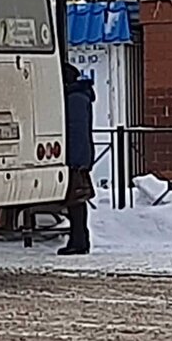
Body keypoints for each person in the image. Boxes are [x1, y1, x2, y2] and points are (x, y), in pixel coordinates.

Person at [60, 63, 95, 255]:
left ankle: (79, 240)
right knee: (77, 200)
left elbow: (76, 130)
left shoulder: (74, 99)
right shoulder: (79, 96)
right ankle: (79, 239)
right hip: (80, 155)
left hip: (76, 158)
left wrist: (73, 160)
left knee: (76, 200)